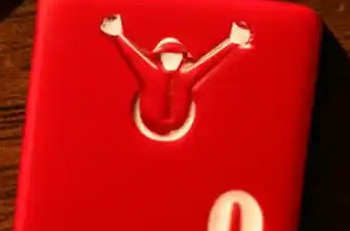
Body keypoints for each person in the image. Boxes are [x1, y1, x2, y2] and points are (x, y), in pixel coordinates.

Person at [99, 14, 252, 139]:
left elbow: (134, 56)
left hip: (161, 120)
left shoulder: (162, 72)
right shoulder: (180, 74)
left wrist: (118, 36)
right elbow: (206, 63)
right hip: (161, 120)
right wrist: (232, 42)